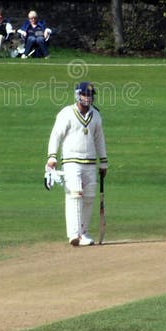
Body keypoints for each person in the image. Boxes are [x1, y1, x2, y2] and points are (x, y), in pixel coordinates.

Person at [46, 81, 108, 246]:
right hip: (71, 161)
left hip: (90, 161)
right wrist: (52, 157)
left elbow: (99, 139)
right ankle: (74, 234)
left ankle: (84, 232)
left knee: (89, 197)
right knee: (75, 194)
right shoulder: (67, 113)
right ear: (77, 95)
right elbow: (55, 135)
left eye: (89, 95)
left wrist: (103, 162)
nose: (87, 98)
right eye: (84, 94)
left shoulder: (96, 115)